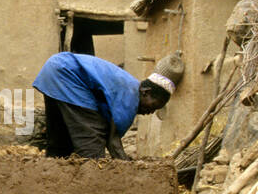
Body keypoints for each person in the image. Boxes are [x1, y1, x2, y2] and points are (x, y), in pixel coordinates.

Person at [32, 52, 179, 159]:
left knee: (60, 140)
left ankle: (51, 180)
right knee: (92, 143)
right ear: (146, 92)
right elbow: (112, 140)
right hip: (67, 75)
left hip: (54, 69)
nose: (151, 112)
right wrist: (128, 170)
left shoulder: (128, 85)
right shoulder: (130, 97)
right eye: (154, 105)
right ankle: (92, 189)